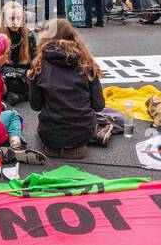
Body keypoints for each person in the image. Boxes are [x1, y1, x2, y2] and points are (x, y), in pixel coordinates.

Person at [28, 19, 109, 159]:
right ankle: (95, 134)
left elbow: (36, 106)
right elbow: (99, 105)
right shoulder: (86, 63)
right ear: (72, 35)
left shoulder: (39, 65)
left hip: (50, 135)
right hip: (82, 135)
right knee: (108, 116)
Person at [0, 1, 36, 105]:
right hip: (7, 73)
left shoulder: (29, 35)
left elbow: (35, 57)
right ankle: (24, 95)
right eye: (11, 18)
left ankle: (16, 96)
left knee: (41, 78)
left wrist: (33, 69)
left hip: (25, 72)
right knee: (10, 81)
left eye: (18, 18)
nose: (15, 22)